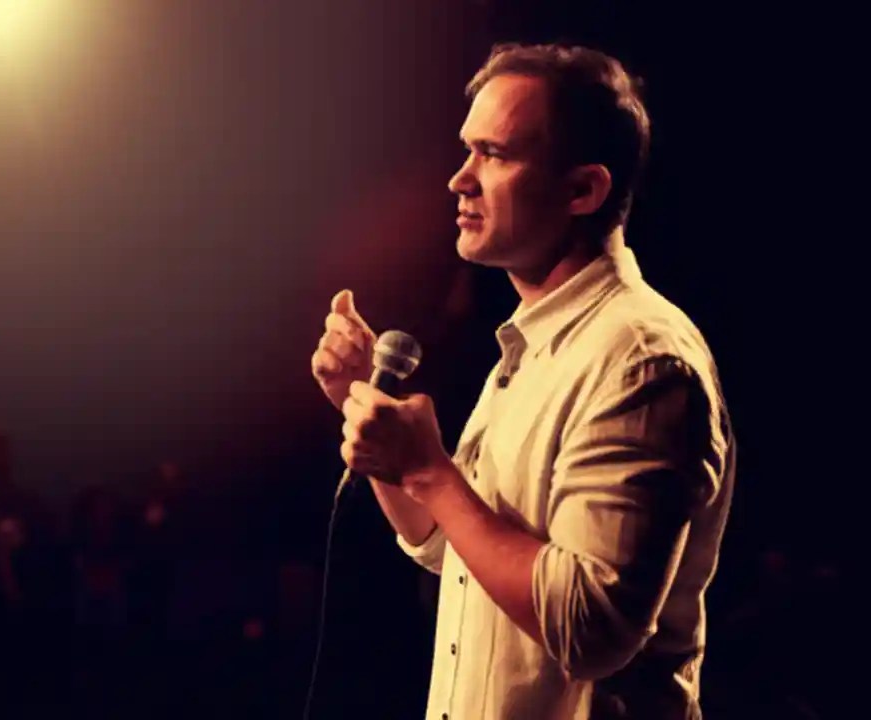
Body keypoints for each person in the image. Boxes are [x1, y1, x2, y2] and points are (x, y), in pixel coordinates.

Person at [311, 43, 735, 719]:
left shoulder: (639, 362)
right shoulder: (534, 345)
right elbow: (449, 542)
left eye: (495, 154)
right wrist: (374, 411)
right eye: (466, 150)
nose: (460, 179)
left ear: (583, 190)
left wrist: (432, 473)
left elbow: (590, 628)